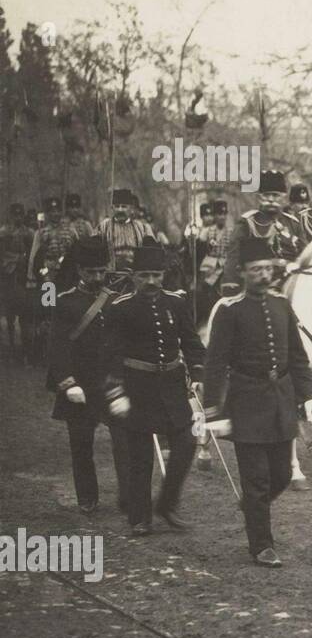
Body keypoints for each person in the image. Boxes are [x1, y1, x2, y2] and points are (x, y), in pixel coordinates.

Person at [203, 236, 312, 567]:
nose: (263, 274)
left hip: (281, 401)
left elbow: (298, 357)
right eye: (256, 269)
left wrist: (308, 396)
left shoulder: (282, 304)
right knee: (255, 478)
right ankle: (262, 545)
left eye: (268, 268)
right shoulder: (230, 310)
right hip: (247, 402)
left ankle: (254, 508)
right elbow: (215, 362)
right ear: (242, 272)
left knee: (282, 474)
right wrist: (212, 408)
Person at [103, 243, 206, 535]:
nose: (150, 281)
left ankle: (167, 504)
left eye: (156, 275)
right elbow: (110, 354)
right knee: (140, 455)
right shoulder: (120, 308)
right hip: (138, 388)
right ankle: (140, 516)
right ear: (134, 276)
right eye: (144, 275)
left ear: (163, 275)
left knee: (186, 443)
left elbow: (191, 342)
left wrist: (197, 372)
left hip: (172, 387)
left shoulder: (177, 302)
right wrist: (116, 392)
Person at [47, 237, 133, 515]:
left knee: (124, 442)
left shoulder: (116, 300)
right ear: (80, 270)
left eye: (101, 271)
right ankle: (87, 497)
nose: (97, 276)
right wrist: (67, 383)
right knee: (81, 446)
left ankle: (128, 496)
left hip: (110, 385)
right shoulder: (65, 302)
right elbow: (58, 348)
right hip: (80, 386)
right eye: (90, 271)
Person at [221, 171, 304, 295]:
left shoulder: (293, 223)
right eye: (266, 195)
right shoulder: (247, 223)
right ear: (259, 197)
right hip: (257, 285)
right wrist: (231, 285)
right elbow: (233, 258)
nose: (271, 199)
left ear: (283, 197)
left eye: (275, 195)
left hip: (292, 283)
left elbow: (304, 253)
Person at [0, 202, 34, 358]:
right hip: (8, 273)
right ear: (11, 216)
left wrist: (26, 260)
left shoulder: (29, 232)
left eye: (21, 214)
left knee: (26, 312)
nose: (18, 218)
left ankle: (26, 347)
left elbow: (33, 252)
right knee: (9, 311)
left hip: (24, 274)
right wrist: (15, 260)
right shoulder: (4, 232)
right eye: (15, 215)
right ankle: (11, 345)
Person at [98, 189, 155, 273]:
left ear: (131, 208)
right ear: (112, 208)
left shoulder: (142, 227)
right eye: (117, 206)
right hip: (110, 276)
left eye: (124, 206)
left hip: (135, 275)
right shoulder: (104, 226)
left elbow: (152, 251)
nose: (120, 210)